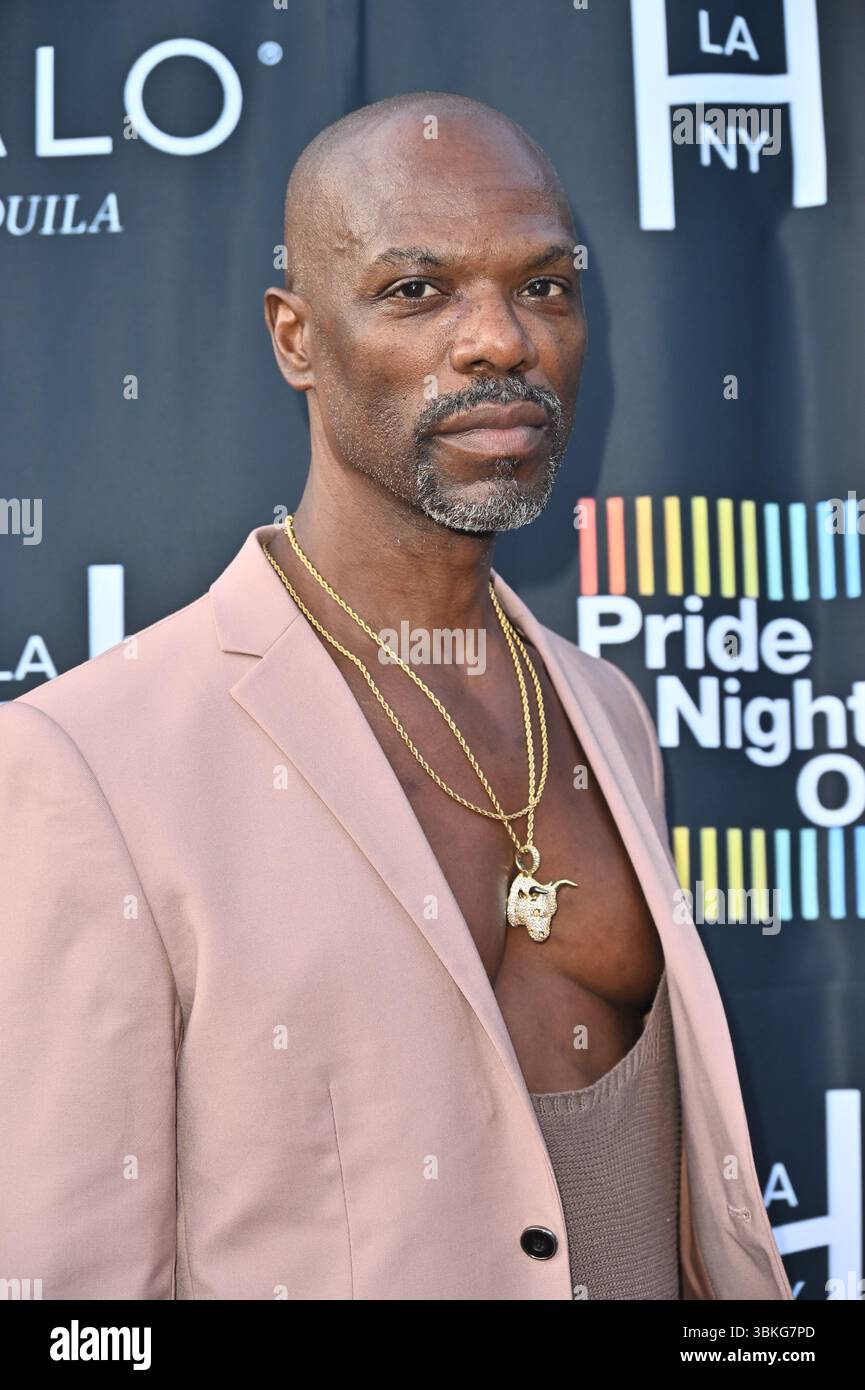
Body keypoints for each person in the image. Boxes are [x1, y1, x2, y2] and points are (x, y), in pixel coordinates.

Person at [0, 92, 791, 1301]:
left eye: (543, 286)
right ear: (296, 338)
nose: (499, 342)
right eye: (417, 290)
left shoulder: (606, 713)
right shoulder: (90, 761)